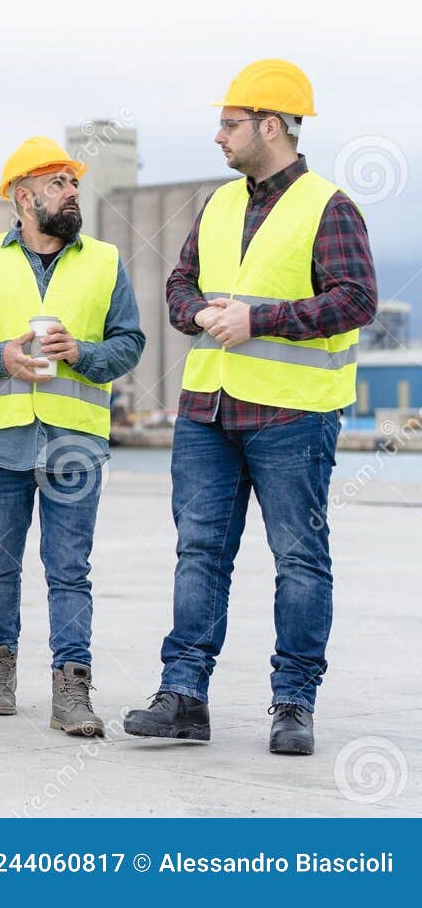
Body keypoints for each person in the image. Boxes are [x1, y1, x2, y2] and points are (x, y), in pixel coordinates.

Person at [124, 60, 376, 755]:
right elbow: (180, 282)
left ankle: (294, 703)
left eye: (229, 123)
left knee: (299, 558)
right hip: (207, 410)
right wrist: (198, 310)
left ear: (271, 125)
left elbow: (355, 299)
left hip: (293, 417)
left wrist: (259, 320)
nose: (218, 136)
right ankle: (184, 695)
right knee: (199, 552)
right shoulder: (220, 204)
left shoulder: (330, 206)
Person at [0, 137, 145, 736]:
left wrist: (83, 353)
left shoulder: (104, 260)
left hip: (76, 439)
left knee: (68, 566)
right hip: (0, 438)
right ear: (25, 198)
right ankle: (0, 671)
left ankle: (71, 692)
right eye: (59, 184)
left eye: (73, 183)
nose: (72, 192)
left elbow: (130, 343)